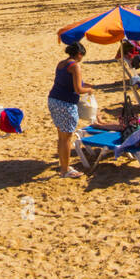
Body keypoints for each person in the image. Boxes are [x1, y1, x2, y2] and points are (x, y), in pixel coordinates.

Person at [48, 42, 92, 179]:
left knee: (61, 136)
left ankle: (64, 166)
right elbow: (78, 89)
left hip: (54, 99)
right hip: (65, 103)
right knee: (66, 138)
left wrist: (85, 85)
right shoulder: (75, 66)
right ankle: (65, 170)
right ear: (79, 54)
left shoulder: (61, 64)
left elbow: (66, 81)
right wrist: (90, 90)